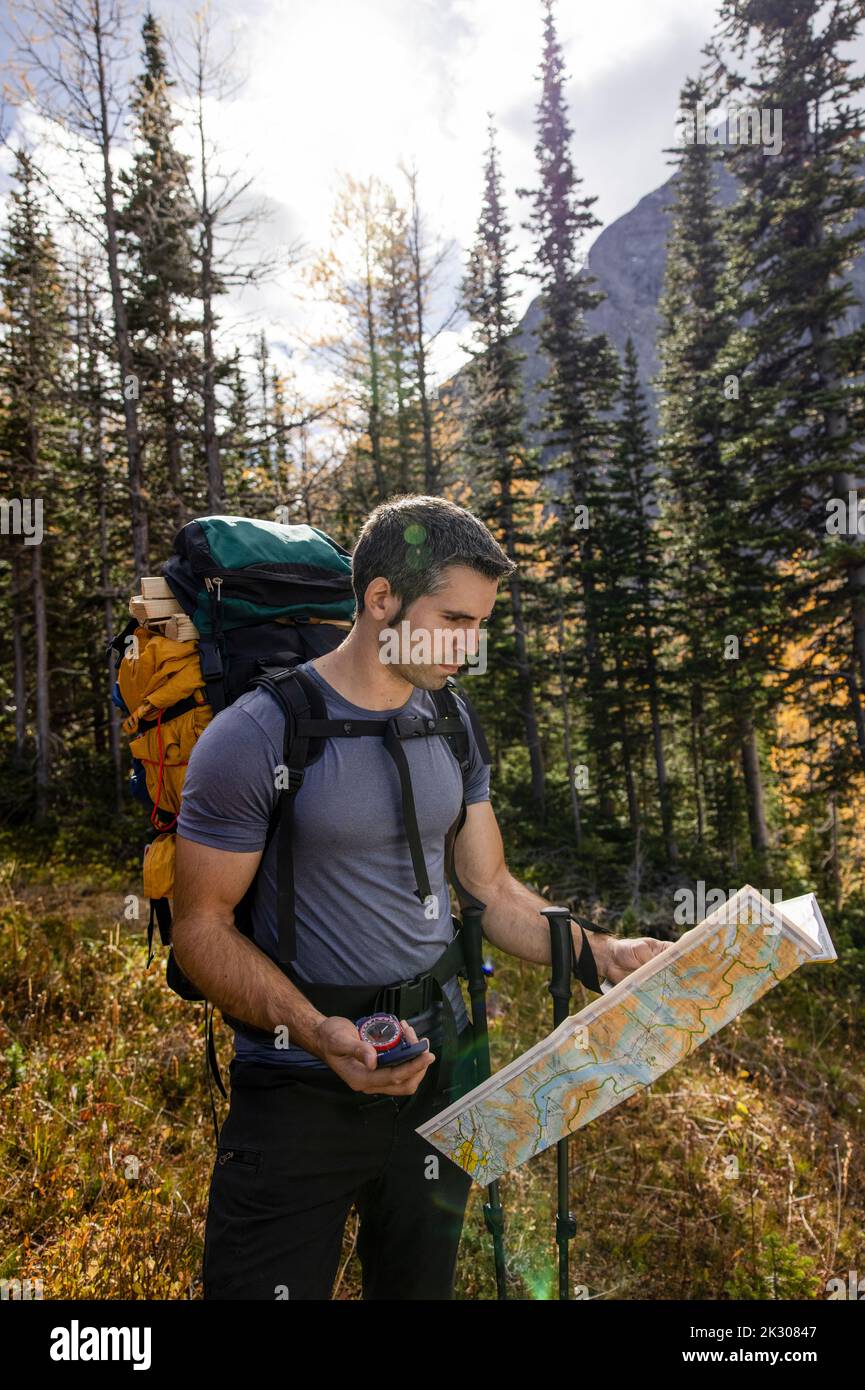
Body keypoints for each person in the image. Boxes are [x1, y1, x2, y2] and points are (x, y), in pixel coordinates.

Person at [172, 493, 670, 1300]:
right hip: (298, 1086)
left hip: (435, 1072)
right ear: (379, 600)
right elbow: (199, 928)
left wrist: (603, 953)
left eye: (479, 625)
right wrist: (316, 1029)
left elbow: (490, 889)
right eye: (453, 620)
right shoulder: (257, 735)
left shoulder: (448, 720)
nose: (467, 649)